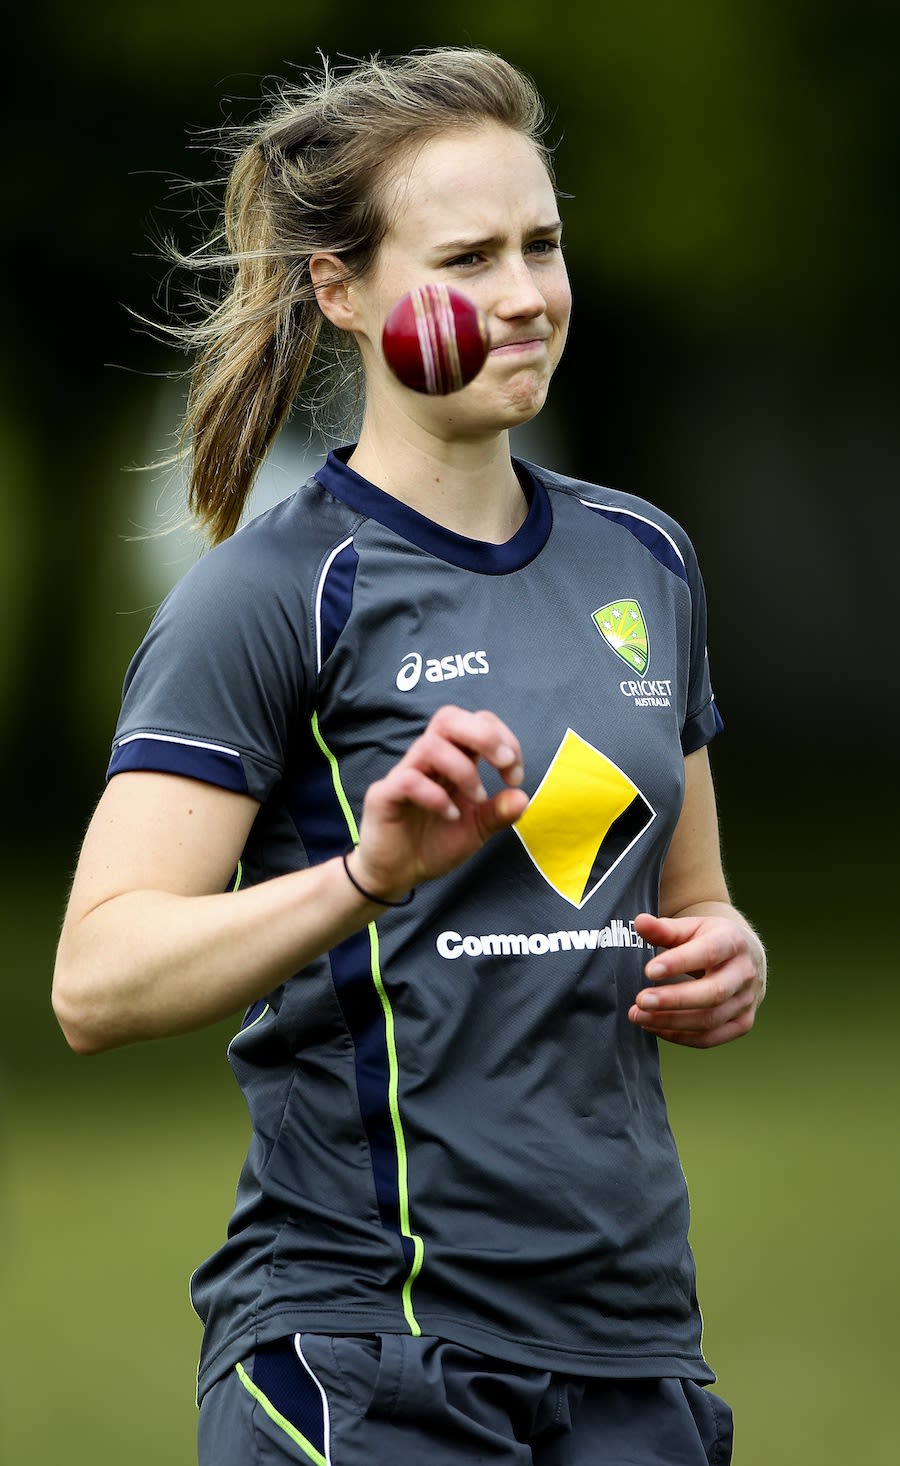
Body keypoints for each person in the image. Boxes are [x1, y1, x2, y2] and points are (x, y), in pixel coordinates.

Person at [52, 47, 766, 1466]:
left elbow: (697, 900)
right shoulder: (274, 593)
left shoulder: (646, 557)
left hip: (632, 1357)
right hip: (373, 1355)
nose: (523, 294)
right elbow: (97, 978)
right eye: (468, 257)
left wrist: (730, 951)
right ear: (341, 290)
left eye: (542, 244)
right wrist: (368, 875)